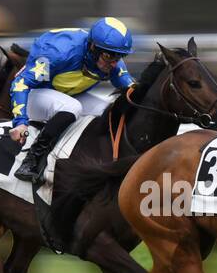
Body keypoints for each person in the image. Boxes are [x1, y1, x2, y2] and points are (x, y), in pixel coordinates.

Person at [8, 17, 135, 183]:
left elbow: (132, 92)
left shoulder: (112, 61)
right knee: (72, 106)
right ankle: (32, 160)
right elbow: (19, 84)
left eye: (119, 57)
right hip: (35, 94)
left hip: (67, 95)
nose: (113, 63)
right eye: (108, 56)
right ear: (93, 48)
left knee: (109, 111)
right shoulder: (59, 54)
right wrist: (20, 122)